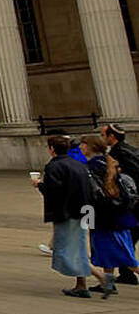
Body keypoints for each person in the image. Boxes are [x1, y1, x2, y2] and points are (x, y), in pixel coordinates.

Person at [36, 134, 95, 298]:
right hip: (84, 210)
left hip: (67, 212)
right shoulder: (78, 164)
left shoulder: (54, 167)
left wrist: (39, 185)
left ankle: (95, 280)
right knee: (79, 245)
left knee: (67, 249)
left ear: (52, 149)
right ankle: (82, 282)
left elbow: (54, 192)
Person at [81, 136, 139, 295]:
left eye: (83, 144)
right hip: (119, 215)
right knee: (109, 252)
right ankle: (108, 282)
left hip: (106, 218)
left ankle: (108, 282)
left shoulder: (91, 167)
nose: (80, 147)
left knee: (127, 258)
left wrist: (87, 219)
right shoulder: (109, 162)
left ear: (89, 147)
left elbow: (91, 195)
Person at [102, 124, 139, 283]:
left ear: (112, 137)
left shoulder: (118, 154)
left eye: (104, 135)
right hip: (134, 200)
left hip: (132, 202)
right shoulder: (130, 150)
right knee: (129, 237)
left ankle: (128, 271)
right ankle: (126, 272)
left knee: (128, 237)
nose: (102, 138)